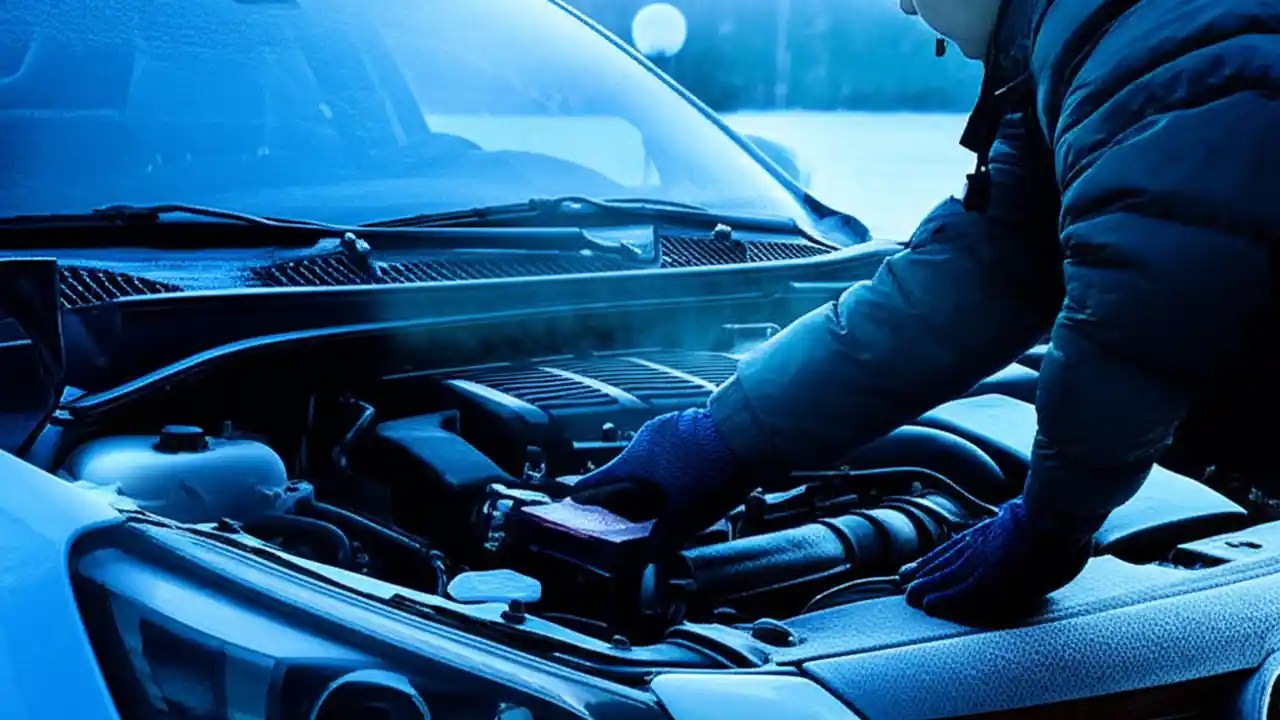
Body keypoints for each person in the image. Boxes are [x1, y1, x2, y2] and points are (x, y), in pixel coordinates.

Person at [570, 0, 1280, 624]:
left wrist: (1051, 529)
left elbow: (1138, 316)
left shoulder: (1161, 54)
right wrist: (722, 437)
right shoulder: (1098, 45)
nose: (907, 10)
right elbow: (978, 272)